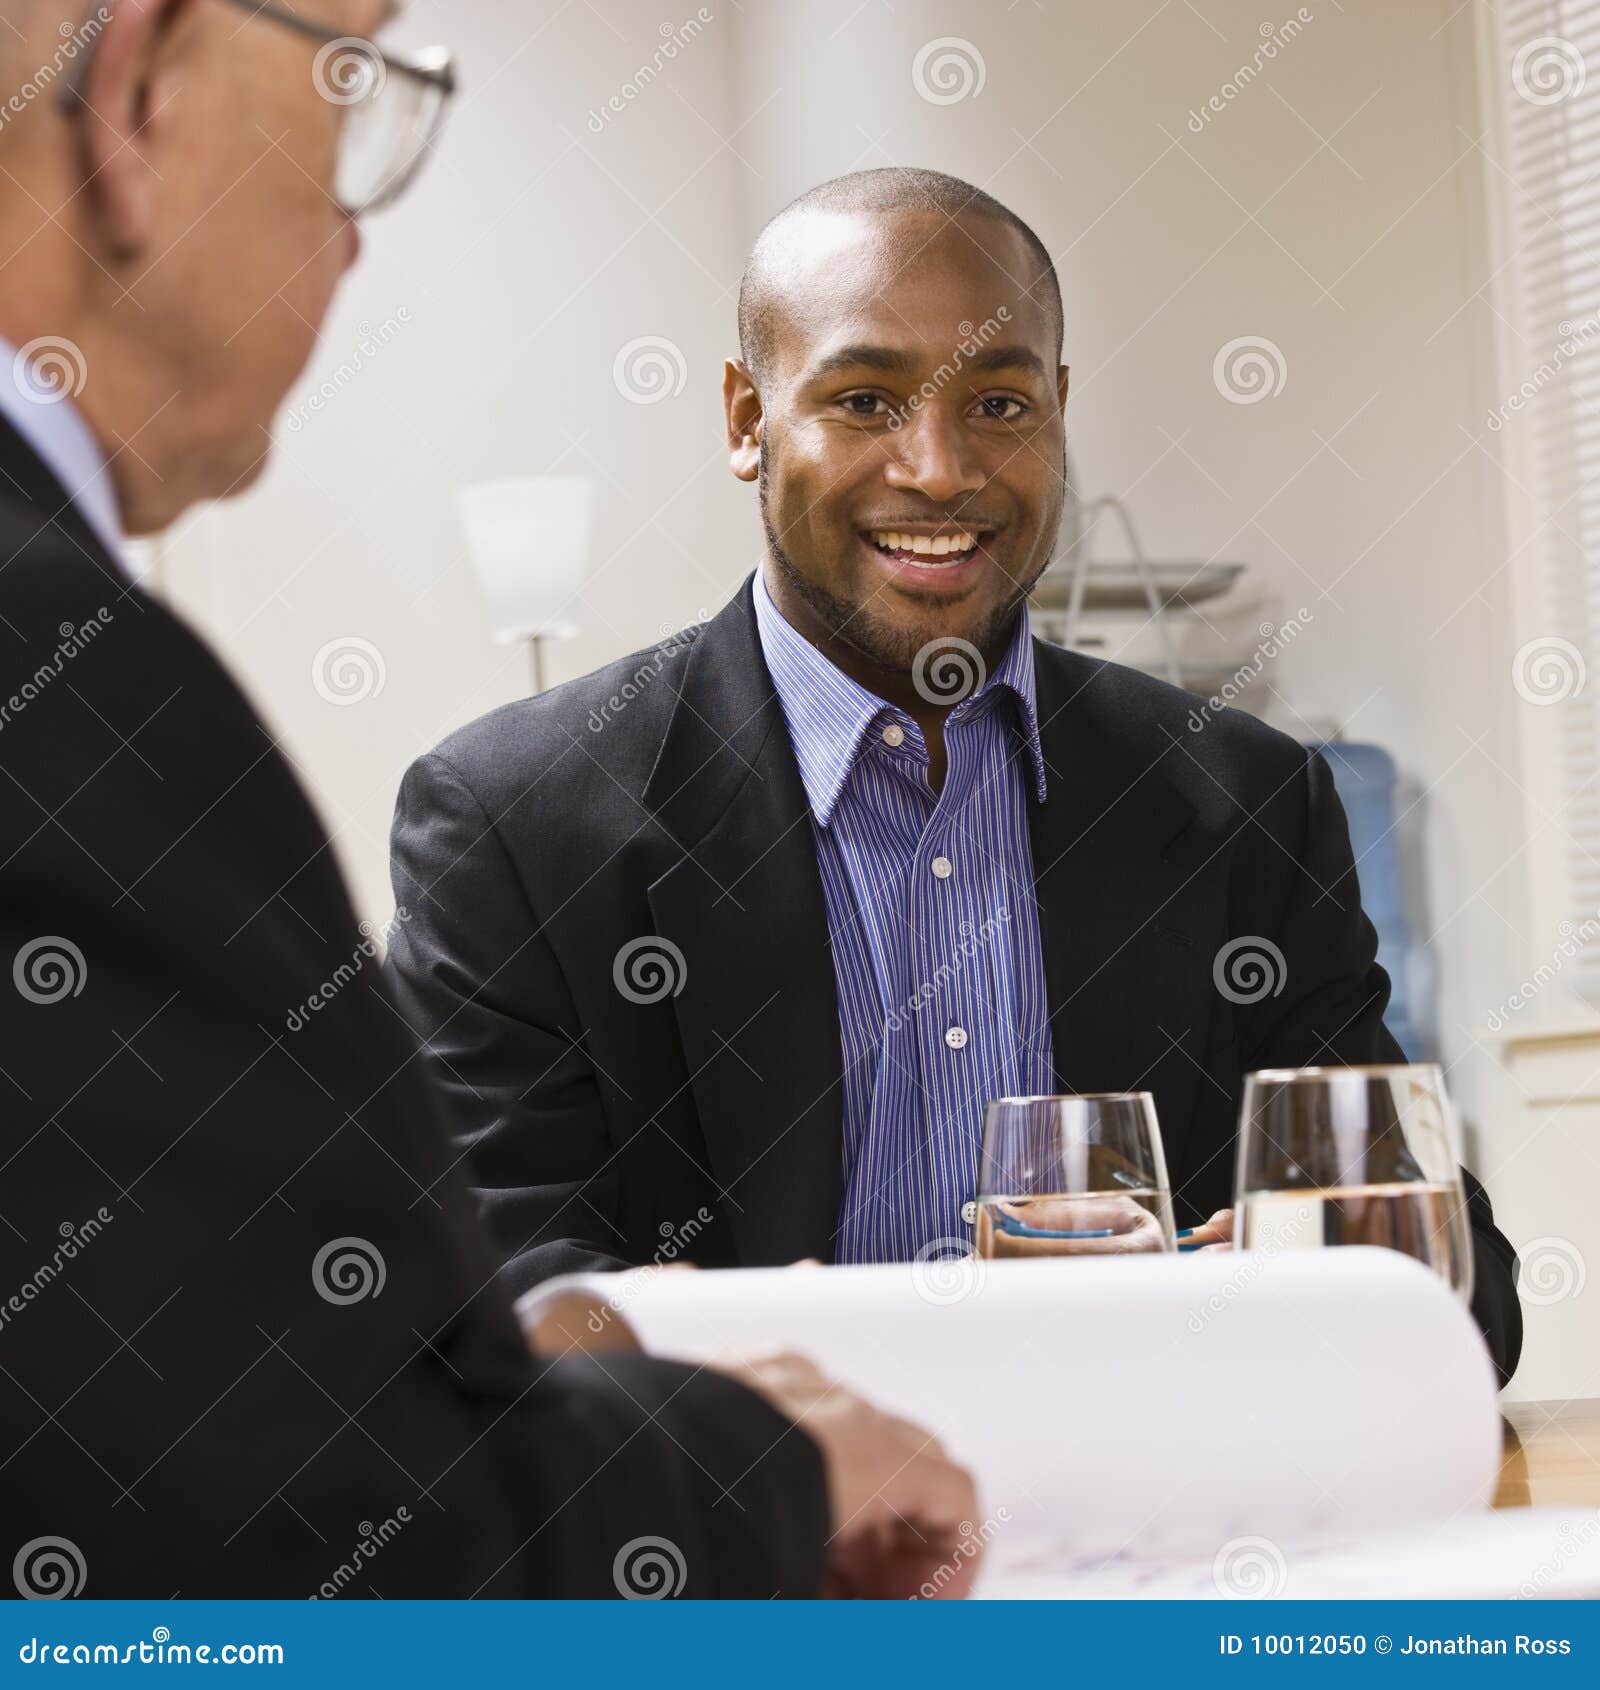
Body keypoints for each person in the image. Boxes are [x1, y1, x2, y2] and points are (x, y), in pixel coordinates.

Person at [0, 1, 980, 1600]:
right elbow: (304, 1539)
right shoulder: (64, 671)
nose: (352, 237)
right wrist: (762, 1463)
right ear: (136, 96)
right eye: (349, 100)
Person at [388, 167, 1524, 1385]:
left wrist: (1279, 1284)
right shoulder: (515, 822)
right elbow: (482, 1303)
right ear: (745, 418)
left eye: (997, 403)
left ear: (1058, 413)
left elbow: (1461, 1297)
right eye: (864, 399)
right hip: (756, 1502)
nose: (938, 469)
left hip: (1148, 1487)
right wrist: (792, 1361)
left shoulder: (1247, 800)